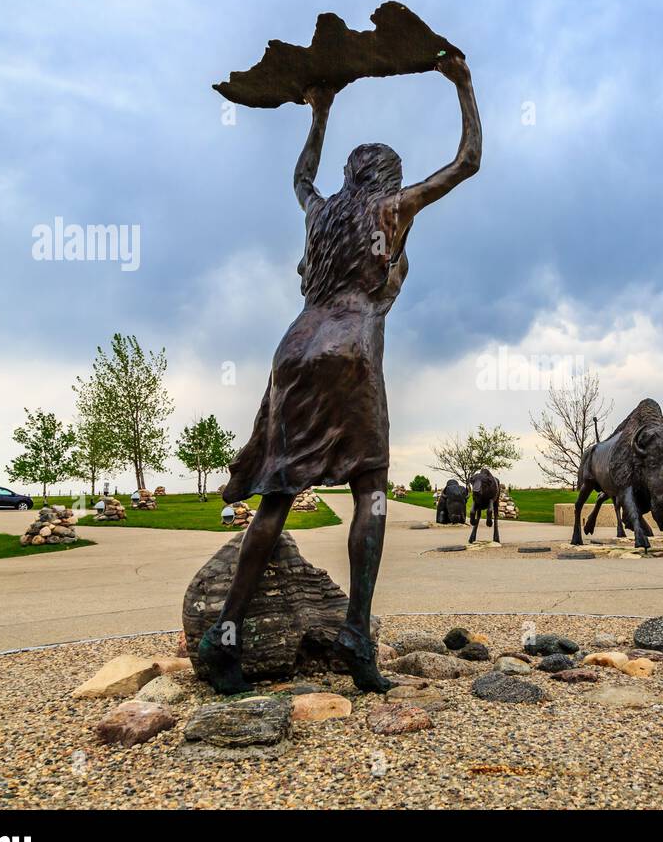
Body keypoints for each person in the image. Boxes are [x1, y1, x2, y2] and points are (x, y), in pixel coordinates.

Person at [198, 53, 481, 694]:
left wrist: (319, 111)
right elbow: (468, 161)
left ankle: (227, 631)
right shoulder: (392, 211)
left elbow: (300, 178)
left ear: (349, 174)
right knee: (371, 488)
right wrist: (462, 82)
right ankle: (357, 629)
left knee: (279, 492)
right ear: (387, 179)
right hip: (350, 347)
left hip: (294, 346)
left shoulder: (320, 213)